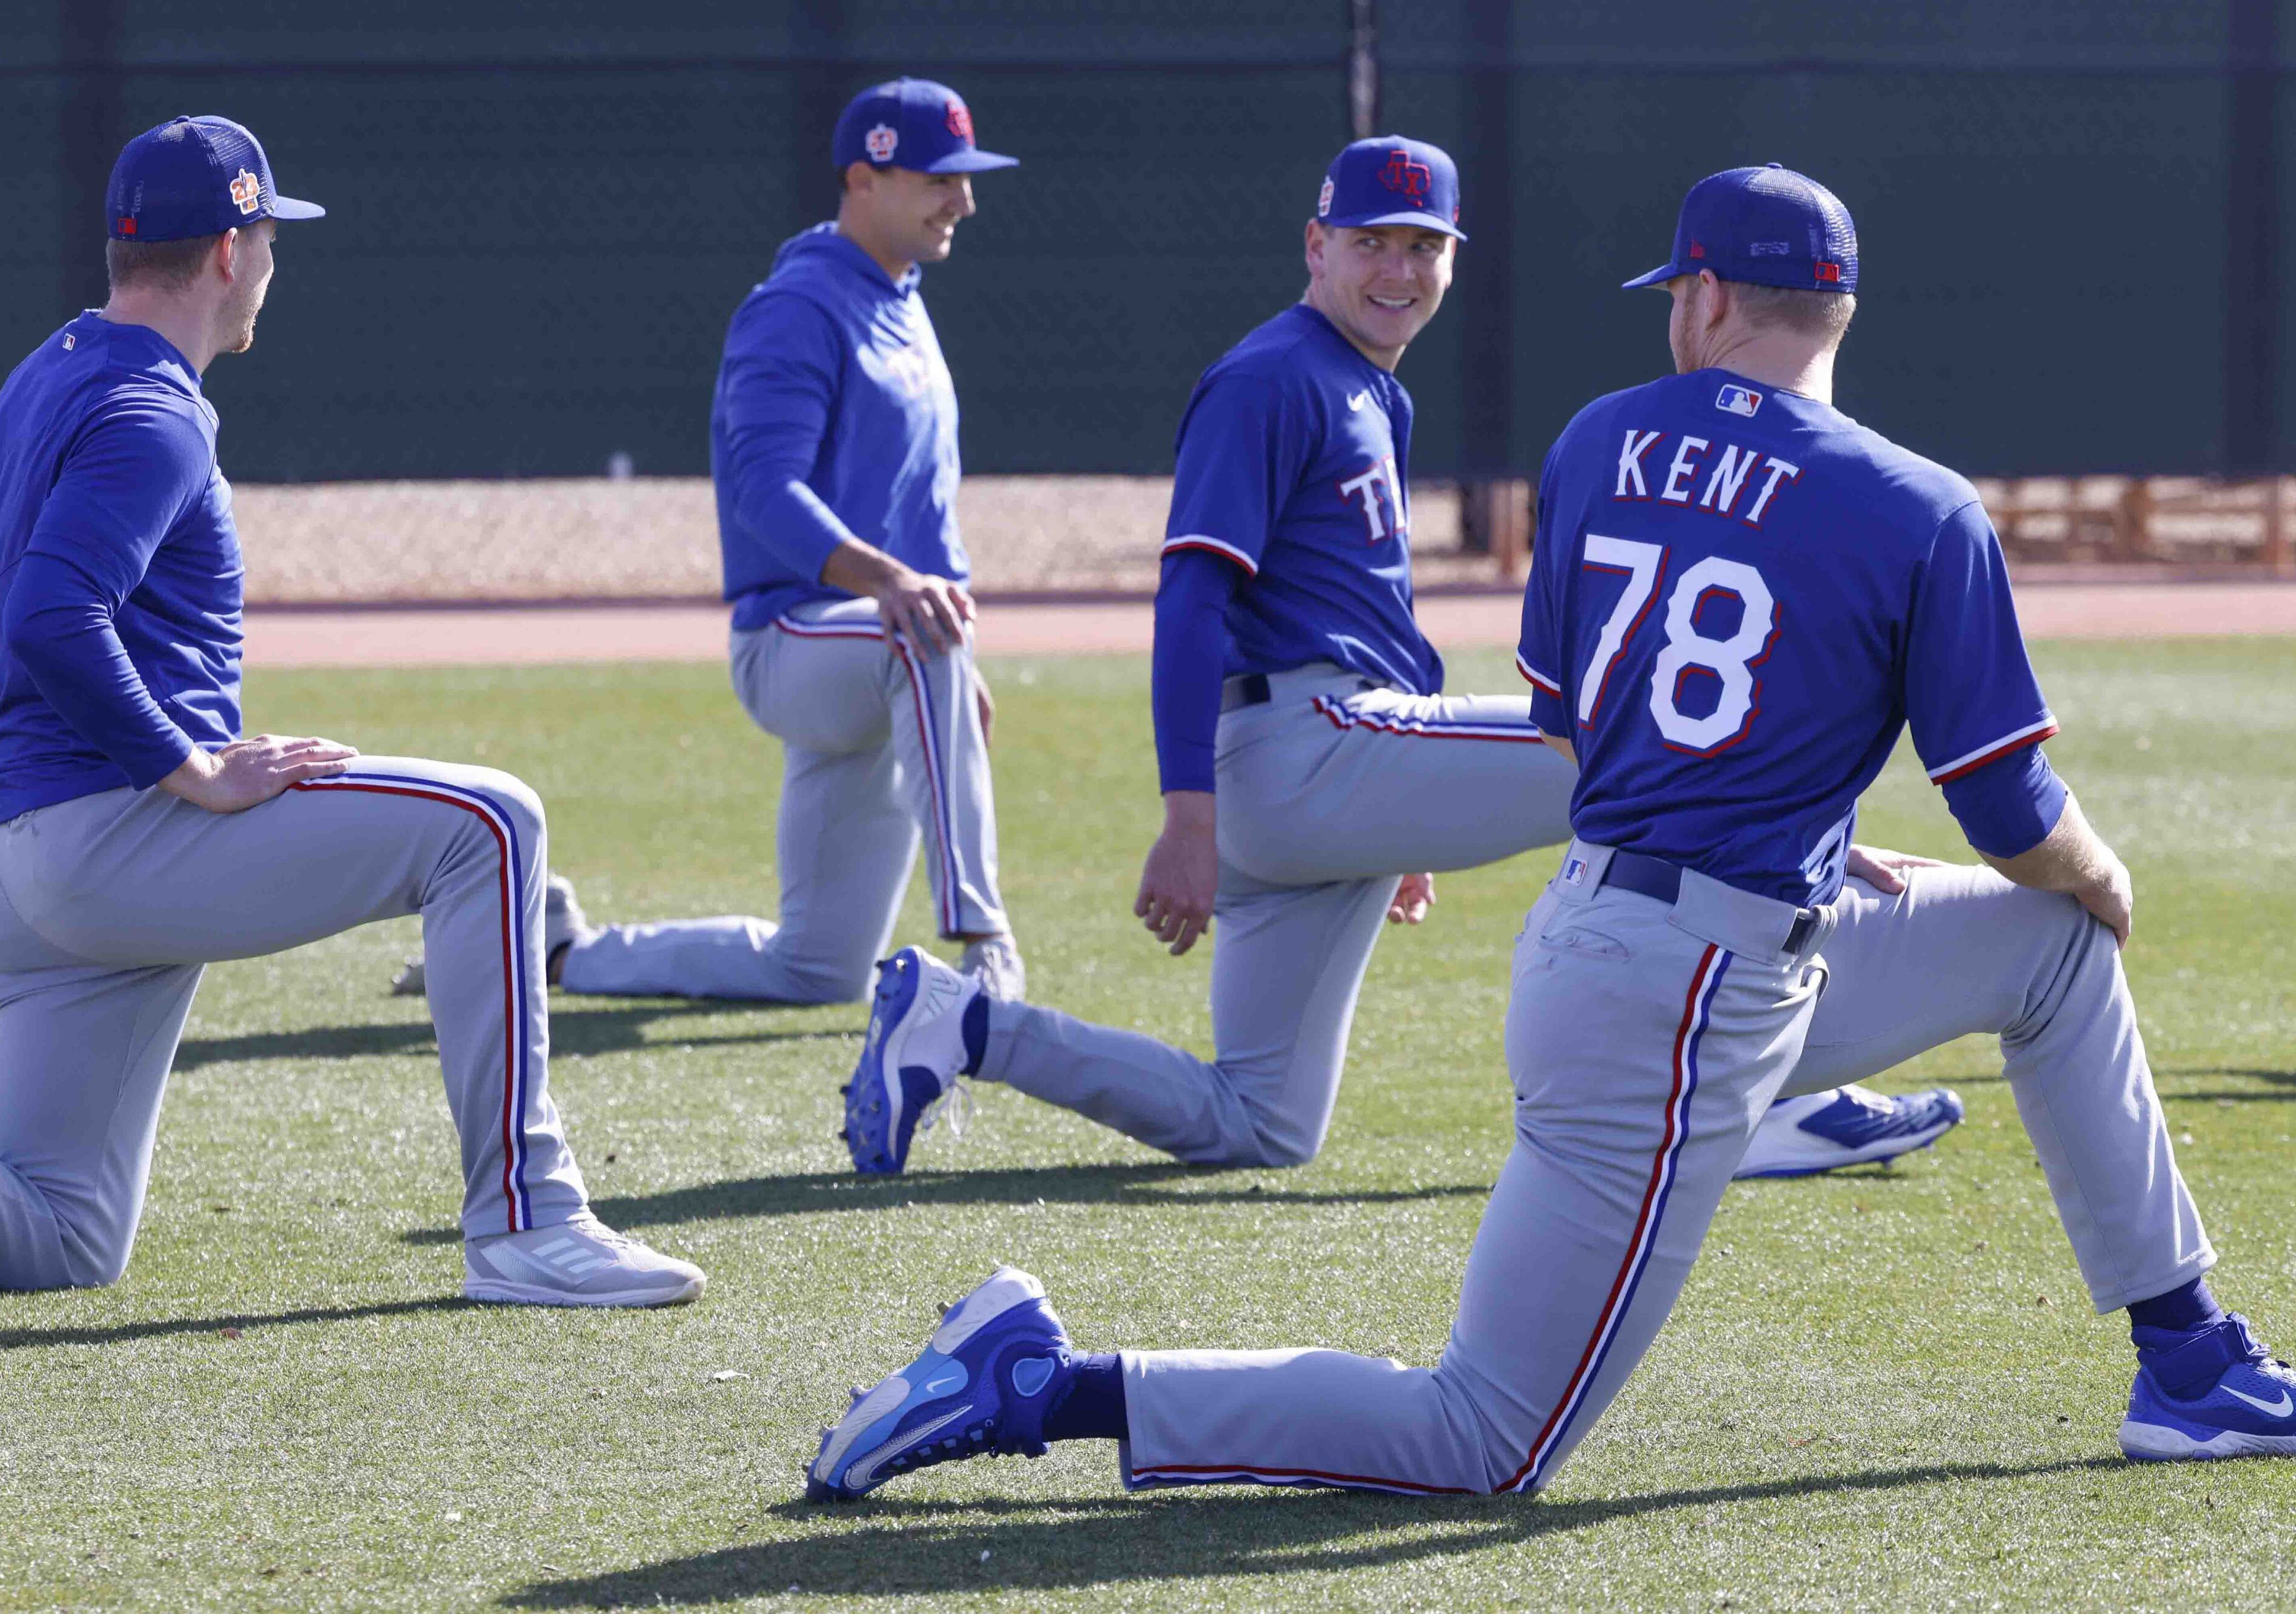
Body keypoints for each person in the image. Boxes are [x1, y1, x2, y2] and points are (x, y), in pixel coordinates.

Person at [804, 163, 2296, 1500]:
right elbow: (2009, 807)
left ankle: (2194, 1359)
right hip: (1679, 993)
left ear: (1709, 299)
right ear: (1840, 309)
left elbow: (1584, 724)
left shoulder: (1595, 443)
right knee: (1483, 1434)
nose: (1671, 312)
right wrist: (2096, 858)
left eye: (1677, 290)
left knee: (2050, 958)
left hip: (1648, 933)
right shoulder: (1921, 501)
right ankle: (1046, 1380)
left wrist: (1830, 834)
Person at [838, 136, 1959, 1183]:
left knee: (1262, 1120)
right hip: (1297, 750)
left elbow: (1365, 609)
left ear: (1453, 260)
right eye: (1371, 240)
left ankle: (962, 1022)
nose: (1398, 266)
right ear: (1315, 247)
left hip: (1337, 773)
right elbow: (1190, 598)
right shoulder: (1272, 375)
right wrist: (1189, 811)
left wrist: (1411, 810)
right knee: (1632, 756)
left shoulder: (1368, 382)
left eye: (1423, 245)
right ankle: (1763, 1100)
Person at [0, 116, 703, 1307]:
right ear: (229, 252)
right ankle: (526, 1223)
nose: (271, 264)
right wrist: (190, 767)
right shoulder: (153, 409)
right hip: (107, 848)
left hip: (10, 871)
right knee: (490, 823)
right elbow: (50, 613)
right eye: (268, 237)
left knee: (62, 1241)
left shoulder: (47, 370)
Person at [389, 78, 1027, 1006]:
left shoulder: (905, 300)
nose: (962, 199)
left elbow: (928, 507)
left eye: (967, 179)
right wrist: (904, 597)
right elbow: (766, 491)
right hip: (793, 646)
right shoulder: (796, 307)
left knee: (817, 970)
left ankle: (561, 950)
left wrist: (947, 648)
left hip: (880, 658)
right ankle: (987, 941)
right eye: (938, 177)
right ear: (863, 178)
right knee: (919, 637)